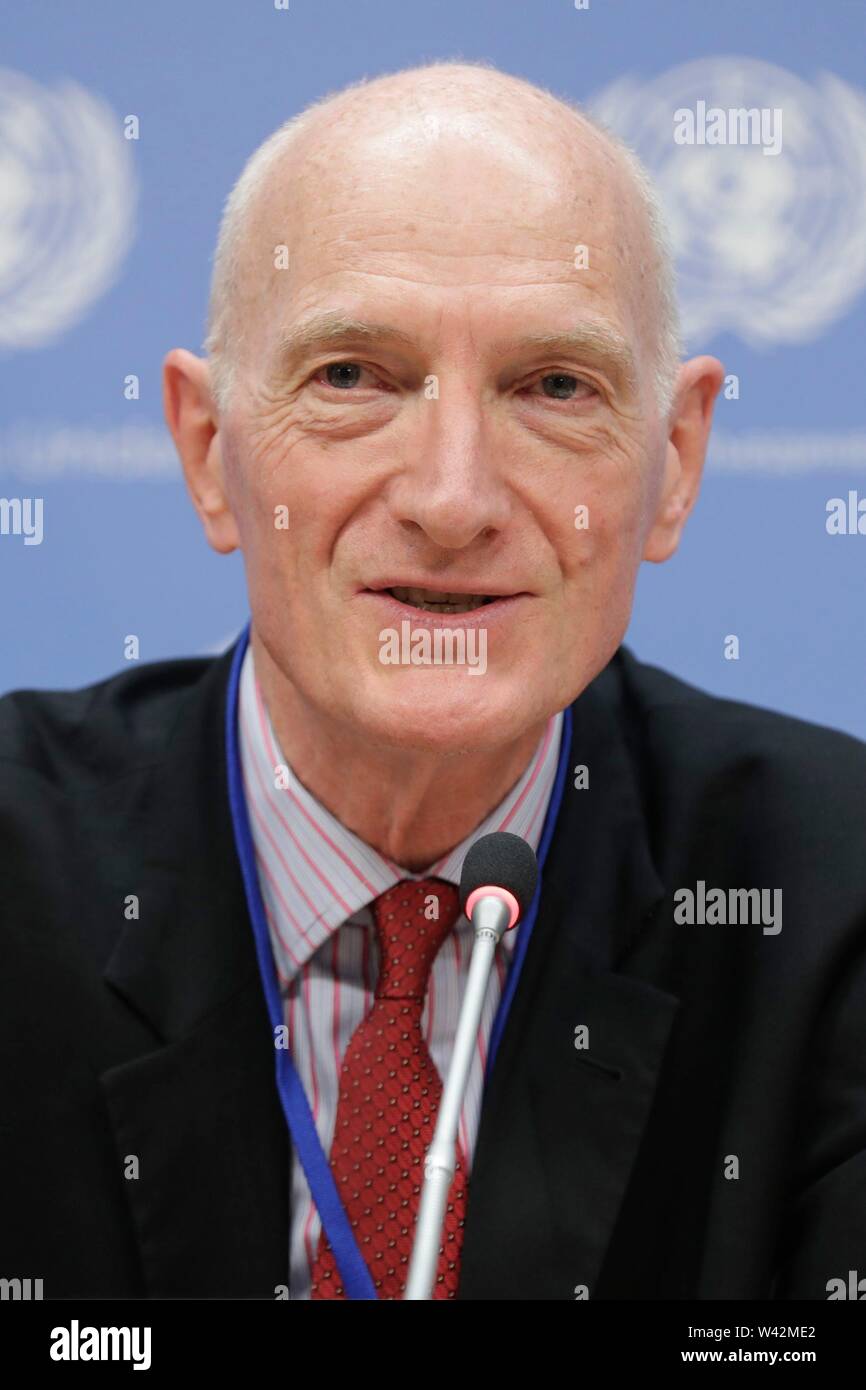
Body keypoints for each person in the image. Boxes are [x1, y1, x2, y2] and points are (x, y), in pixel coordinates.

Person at [2, 60, 864, 1301]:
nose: (451, 499)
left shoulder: (830, 902)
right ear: (207, 451)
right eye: (351, 377)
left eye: (553, 387)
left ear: (673, 464)